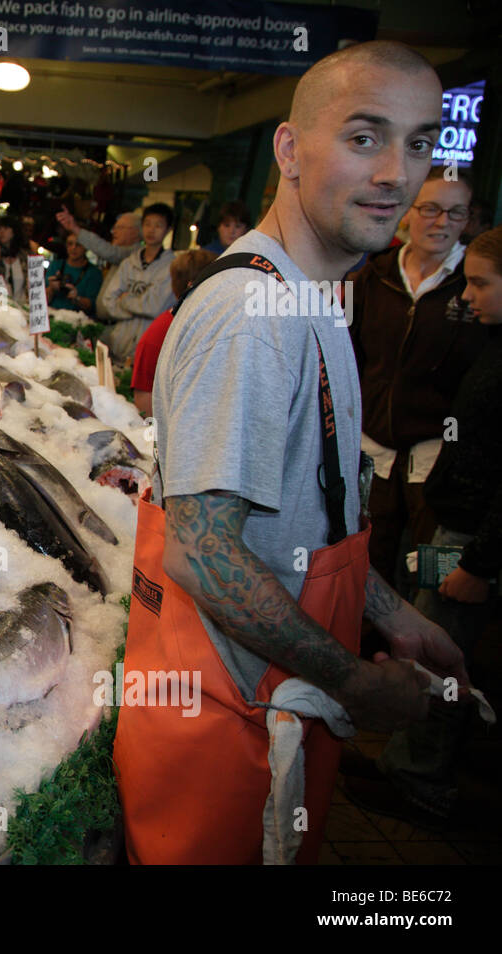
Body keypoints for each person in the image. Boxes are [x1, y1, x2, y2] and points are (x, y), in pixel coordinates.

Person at [113, 40, 470, 865]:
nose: (395, 173)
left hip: (273, 714)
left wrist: (394, 616)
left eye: (419, 143)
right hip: (228, 730)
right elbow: (205, 556)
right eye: (364, 137)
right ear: (288, 149)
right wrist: (354, 679)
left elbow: (307, 522)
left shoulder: (315, 296)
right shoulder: (252, 317)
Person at [343, 227, 502, 829]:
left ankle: (422, 781)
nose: (470, 294)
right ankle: (400, 762)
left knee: (448, 645)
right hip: (449, 522)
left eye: (483, 283)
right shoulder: (486, 336)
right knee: (426, 623)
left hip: (470, 539)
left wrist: (482, 563)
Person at [348, 168, 483, 597]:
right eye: (431, 209)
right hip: (373, 450)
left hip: (439, 456)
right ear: (407, 213)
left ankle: (425, 661)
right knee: (366, 565)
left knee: (431, 575)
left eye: (456, 212)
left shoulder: (476, 284)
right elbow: (351, 357)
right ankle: (366, 658)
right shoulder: (373, 276)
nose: (442, 222)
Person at [129, 248, 216, 416]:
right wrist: (155, 439)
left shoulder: (205, 324)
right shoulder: (160, 332)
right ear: (193, 287)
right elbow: (144, 399)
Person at [94, 202, 176, 358]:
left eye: (158, 226)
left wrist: (124, 300)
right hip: (118, 342)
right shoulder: (128, 263)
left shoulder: (171, 266)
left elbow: (154, 308)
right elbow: (108, 301)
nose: (151, 230)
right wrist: (139, 308)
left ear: (168, 230)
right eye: (147, 224)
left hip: (149, 346)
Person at [46, 234, 102, 313]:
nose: (73, 248)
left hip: (78, 320)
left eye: (78, 245)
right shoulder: (55, 266)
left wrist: (77, 298)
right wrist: (52, 288)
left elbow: (92, 306)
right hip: (52, 314)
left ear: (86, 247)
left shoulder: (94, 273)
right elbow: (42, 300)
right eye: (70, 244)